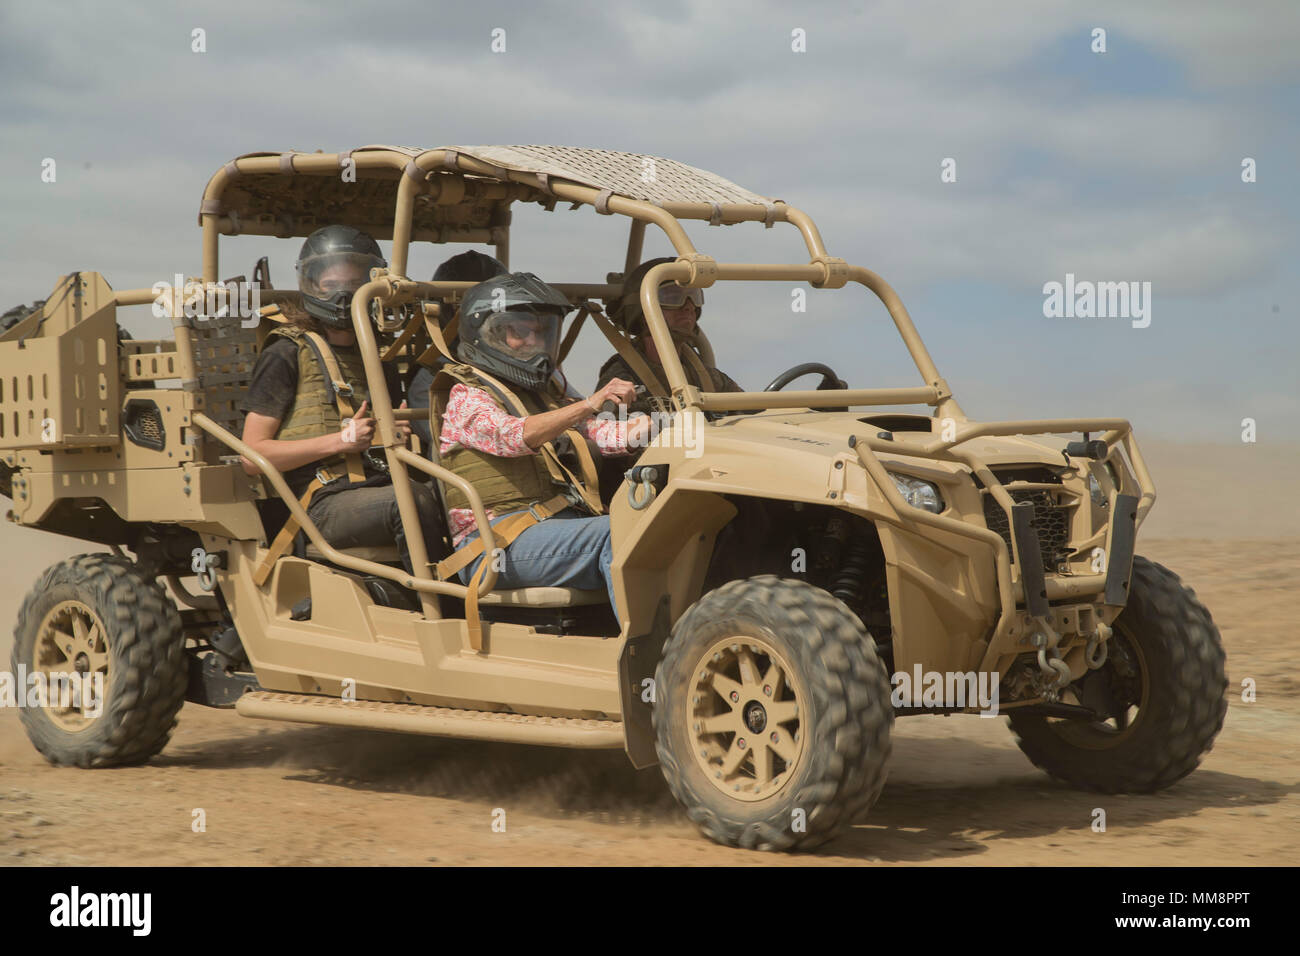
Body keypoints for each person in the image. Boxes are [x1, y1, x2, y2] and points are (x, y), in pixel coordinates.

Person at [430, 272, 650, 625]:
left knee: (661, 520)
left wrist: (652, 430)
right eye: (520, 331)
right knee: (619, 532)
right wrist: (589, 404)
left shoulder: (546, 394)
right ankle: (649, 654)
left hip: (555, 527)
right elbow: (515, 436)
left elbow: (599, 434)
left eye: (543, 331)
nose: (534, 341)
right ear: (489, 334)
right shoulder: (465, 397)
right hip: (493, 545)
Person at [239, 225, 445, 577]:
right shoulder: (286, 352)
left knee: (451, 498)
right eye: (330, 286)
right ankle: (444, 612)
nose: (343, 297)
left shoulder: (378, 355)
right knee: (412, 502)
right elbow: (252, 457)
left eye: (353, 286)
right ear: (311, 286)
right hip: (319, 499)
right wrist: (341, 440)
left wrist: (389, 431)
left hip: (377, 483)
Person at [594, 256, 743, 420]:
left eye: (693, 296)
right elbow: (610, 436)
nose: (688, 306)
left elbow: (753, 413)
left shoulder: (704, 375)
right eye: (673, 297)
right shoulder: (622, 377)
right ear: (645, 313)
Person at [407, 249, 508, 455]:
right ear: (449, 313)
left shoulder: (518, 364)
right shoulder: (433, 377)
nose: (486, 319)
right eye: (474, 309)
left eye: (493, 310)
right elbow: (448, 442)